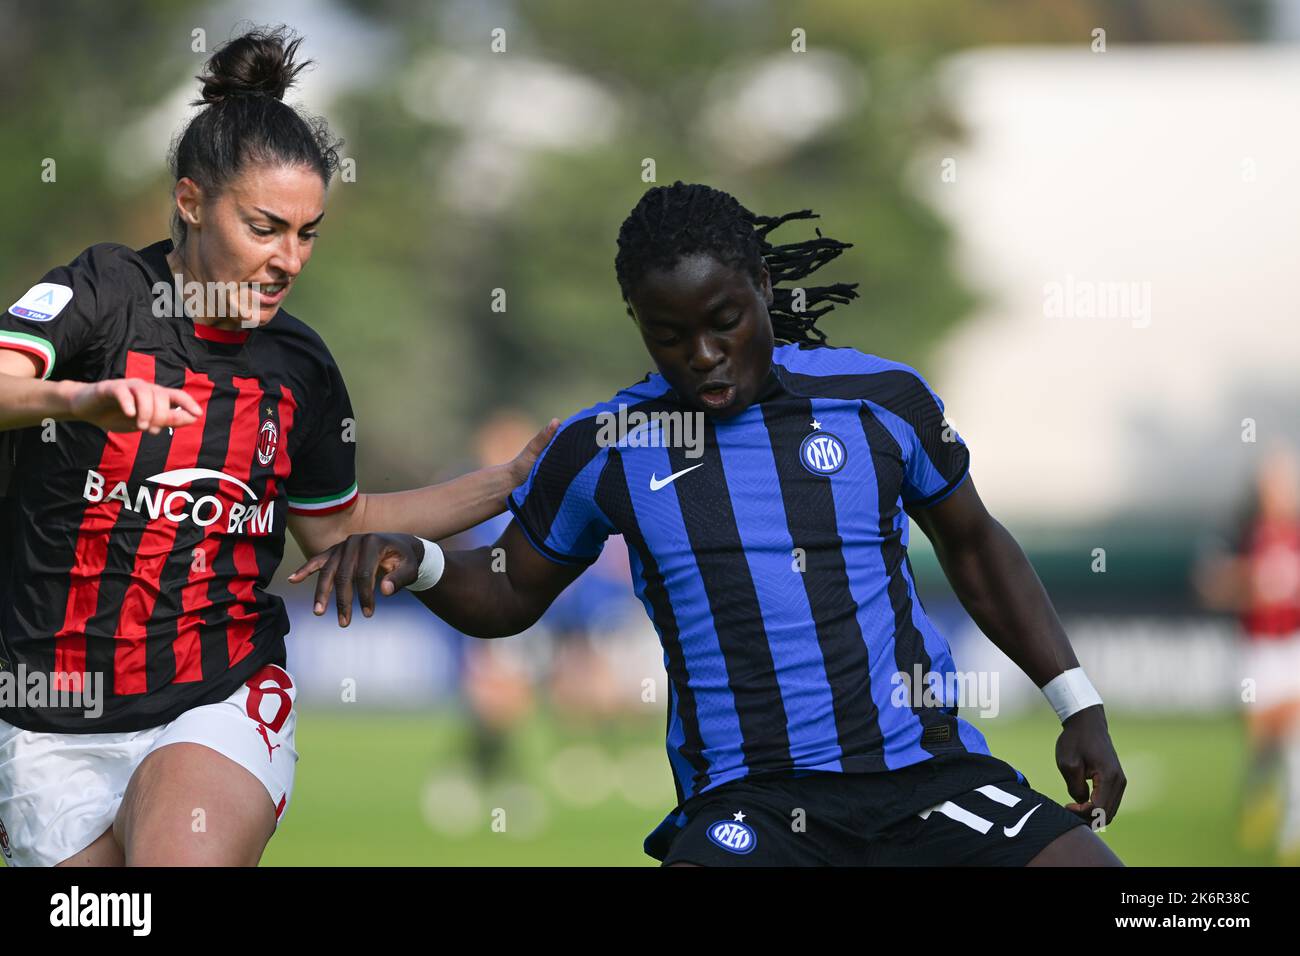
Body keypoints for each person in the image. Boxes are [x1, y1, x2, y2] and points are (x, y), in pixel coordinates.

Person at [292, 181, 1126, 866]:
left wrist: (1076, 702)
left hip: (927, 778)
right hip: (749, 804)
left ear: (763, 287)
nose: (702, 353)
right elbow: (508, 595)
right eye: (670, 335)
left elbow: (975, 546)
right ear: (637, 325)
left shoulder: (881, 401)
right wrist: (424, 562)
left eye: (723, 320)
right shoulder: (606, 445)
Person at [0, 26, 554, 868]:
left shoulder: (300, 368)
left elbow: (339, 526)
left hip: (212, 693)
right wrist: (79, 398)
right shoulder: (104, 291)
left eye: (306, 234)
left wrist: (509, 481)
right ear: (191, 202)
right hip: (44, 717)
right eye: (264, 227)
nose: (287, 259)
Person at [1195, 445, 1300, 864]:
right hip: (1256, 653)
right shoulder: (1241, 531)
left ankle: (1292, 826)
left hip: (1292, 648)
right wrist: (1249, 581)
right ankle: (1258, 794)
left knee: (1294, 734)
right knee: (1263, 740)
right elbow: (1210, 584)